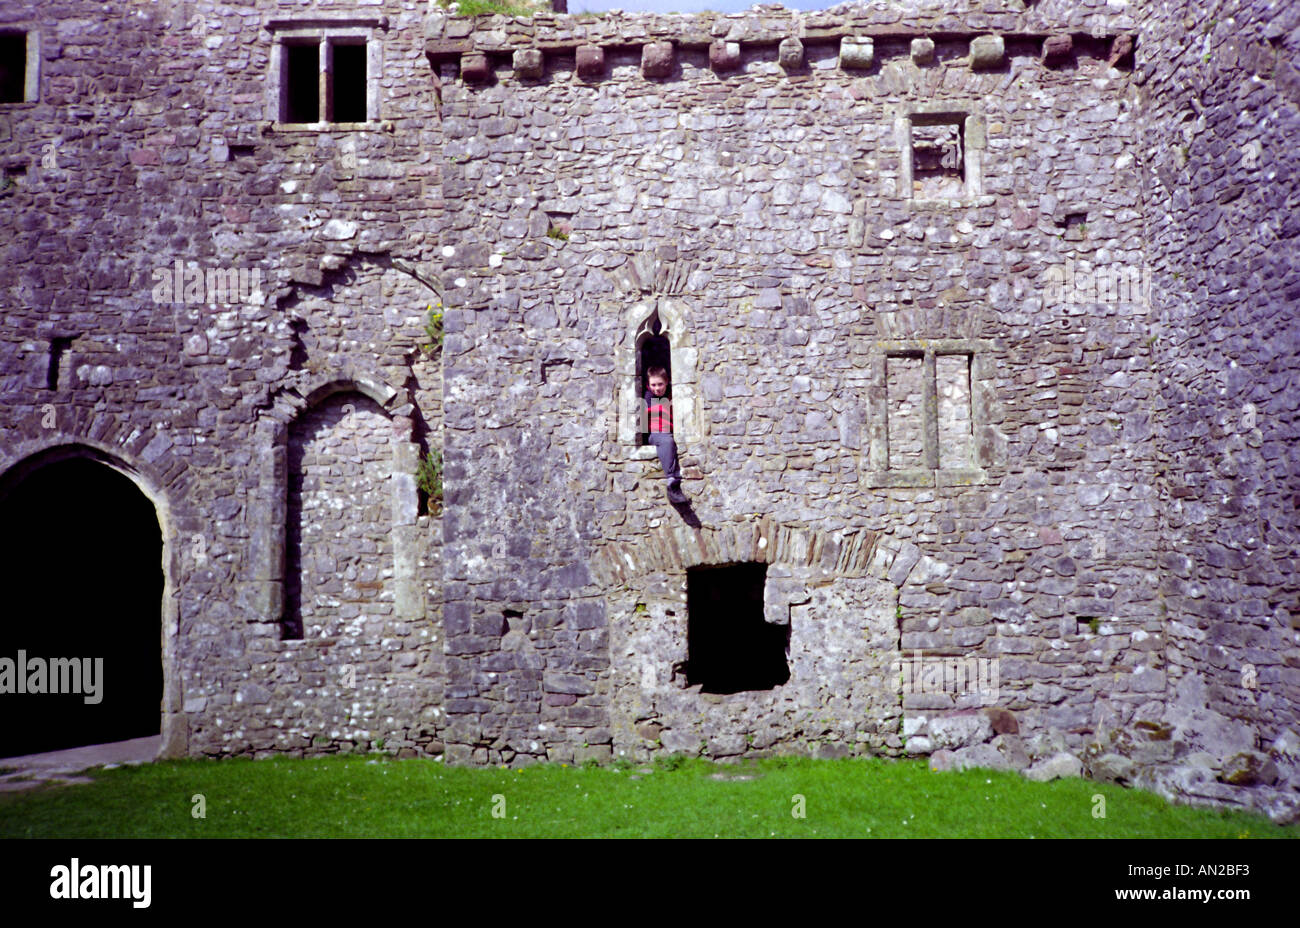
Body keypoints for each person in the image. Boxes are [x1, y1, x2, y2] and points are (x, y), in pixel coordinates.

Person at [644, 365, 688, 504]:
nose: (657, 388)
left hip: (668, 431)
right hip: (655, 434)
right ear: (648, 384)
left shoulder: (672, 394)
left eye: (660, 384)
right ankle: (671, 482)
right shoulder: (647, 397)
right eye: (653, 385)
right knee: (667, 441)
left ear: (667, 382)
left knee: (669, 439)